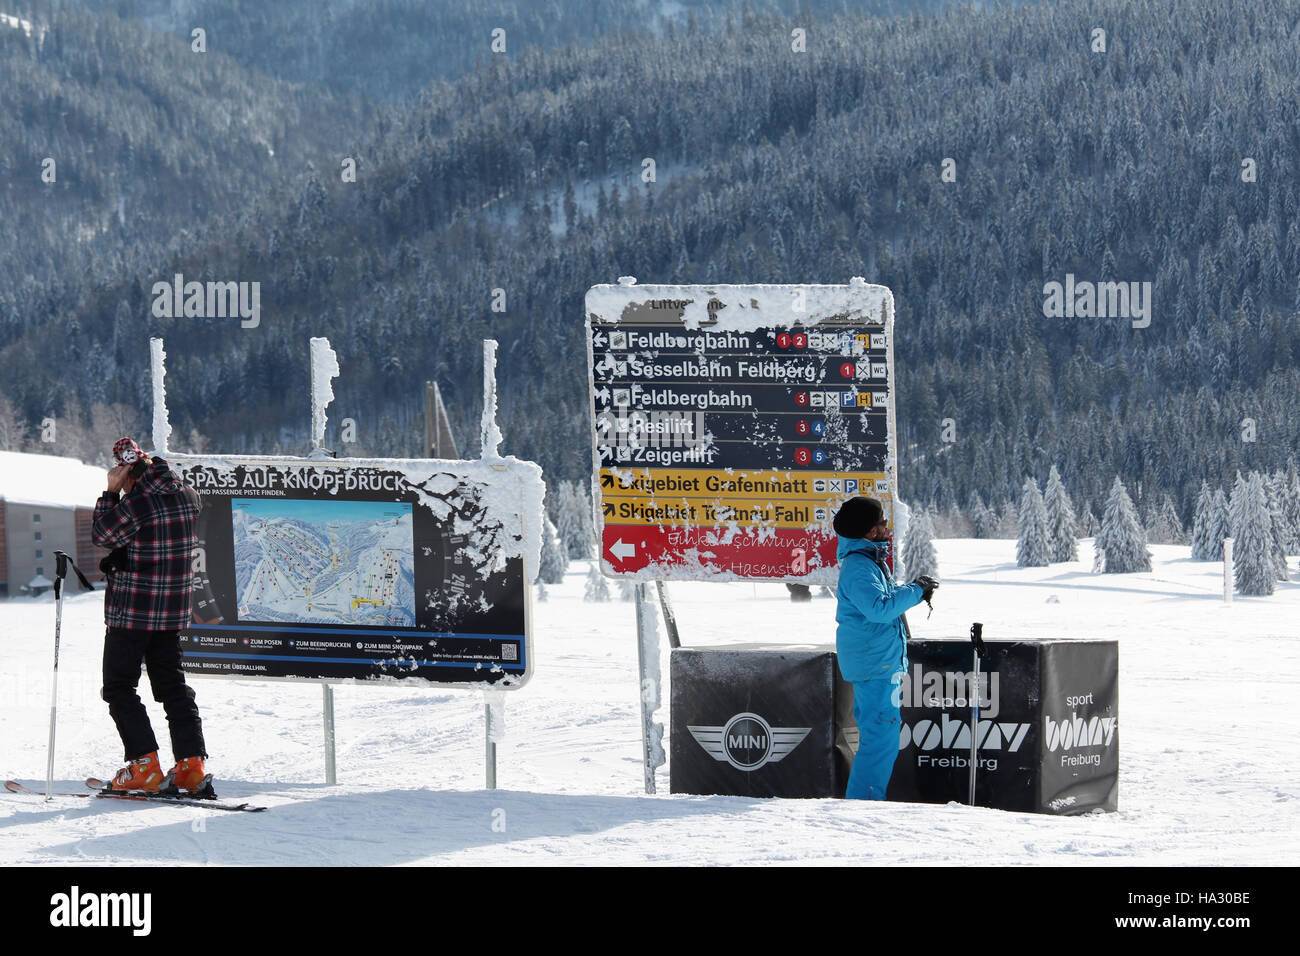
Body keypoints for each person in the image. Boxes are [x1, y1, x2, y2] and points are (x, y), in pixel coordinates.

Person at [92, 437, 208, 793]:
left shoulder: (138, 502)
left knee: (119, 687)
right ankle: (191, 767)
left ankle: (144, 766)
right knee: (173, 687)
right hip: (171, 613)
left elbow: (102, 534)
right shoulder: (188, 496)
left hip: (132, 613)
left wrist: (110, 493)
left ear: (126, 473)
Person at [832, 496, 938, 800]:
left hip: (877, 661)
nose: (885, 527)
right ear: (867, 530)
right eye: (881, 522)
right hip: (874, 663)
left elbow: (885, 599)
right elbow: (878, 609)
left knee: (881, 737)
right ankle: (864, 804)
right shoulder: (859, 568)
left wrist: (914, 589)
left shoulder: (866, 562)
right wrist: (917, 590)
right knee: (880, 739)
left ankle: (865, 801)